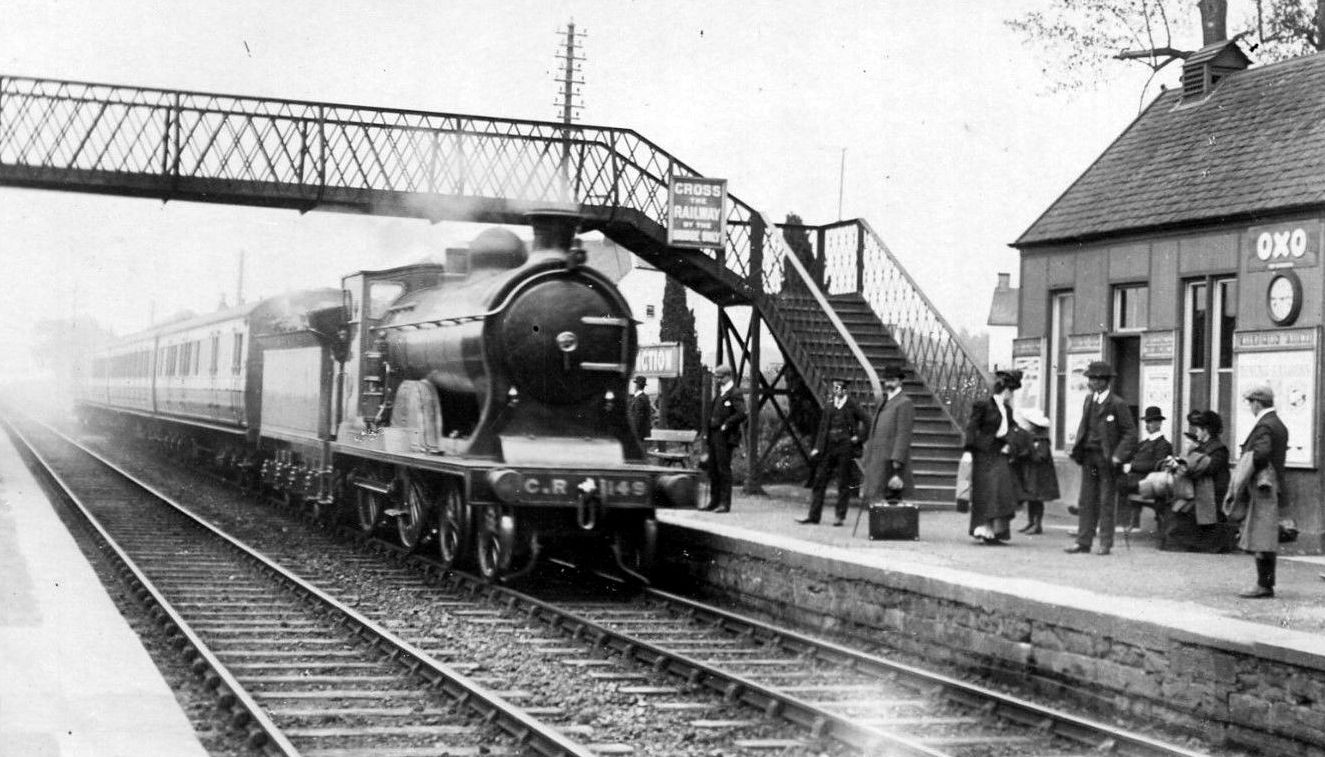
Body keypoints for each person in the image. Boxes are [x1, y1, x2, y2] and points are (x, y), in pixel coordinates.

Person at [1226, 384, 1292, 598]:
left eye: (1250, 403)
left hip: (1263, 488)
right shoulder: (1278, 424)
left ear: (1257, 403)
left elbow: (1261, 453)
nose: (1250, 407)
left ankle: (1263, 585)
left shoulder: (1264, 425)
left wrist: (1244, 470)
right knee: (1266, 536)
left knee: (1261, 536)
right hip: (1274, 485)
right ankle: (1266, 583)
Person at [1066, 360, 1137, 556]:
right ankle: (1083, 541)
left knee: (1106, 501)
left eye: (1095, 379)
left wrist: (1117, 456)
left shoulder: (1117, 404)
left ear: (1106, 381)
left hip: (1106, 460)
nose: (1091, 383)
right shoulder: (1089, 400)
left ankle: (1105, 543)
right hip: (1089, 457)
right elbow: (1084, 426)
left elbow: (1130, 433)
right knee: (1086, 499)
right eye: (1090, 379)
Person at [1159, 410, 1235, 553]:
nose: (1197, 432)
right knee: (1175, 514)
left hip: (1210, 498)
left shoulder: (1219, 450)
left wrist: (1183, 465)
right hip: (1199, 493)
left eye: (1198, 429)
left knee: (1179, 519)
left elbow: (1205, 469)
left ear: (1206, 431)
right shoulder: (1204, 447)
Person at [799, 377, 871, 526]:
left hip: (845, 446)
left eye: (839, 388)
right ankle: (814, 515)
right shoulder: (829, 405)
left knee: (843, 481)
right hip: (829, 446)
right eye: (835, 387)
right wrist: (817, 448)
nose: (836, 390)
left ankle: (840, 516)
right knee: (820, 480)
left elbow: (868, 421)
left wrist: (858, 438)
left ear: (845, 390)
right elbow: (823, 428)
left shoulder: (852, 405)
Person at [962, 369, 1023, 545]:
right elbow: (972, 427)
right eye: (1012, 392)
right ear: (1006, 391)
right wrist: (968, 449)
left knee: (1000, 491)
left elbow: (1011, 429)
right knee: (986, 492)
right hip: (983, 453)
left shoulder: (1008, 411)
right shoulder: (983, 405)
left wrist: (1009, 444)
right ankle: (983, 529)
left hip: (999, 452)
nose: (1012, 395)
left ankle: (997, 531)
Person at [860, 365, 914, 504]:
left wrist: (897, 459)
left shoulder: (904, 403)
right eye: (887, 380)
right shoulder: (884, 401)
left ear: (900, 381)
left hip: (891, 461)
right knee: (876, 500)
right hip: (878, 457)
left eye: (893, 380)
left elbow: (903, 434)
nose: (889, 383)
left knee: (890, 500)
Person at [1120, 406, 1173, 530]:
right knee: (1108, 480)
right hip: (1133, 479)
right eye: (1146, 422)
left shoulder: (1164, 445)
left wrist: (1132, 466)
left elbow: (1157, 465)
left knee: (1109, 484)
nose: (1147, 425)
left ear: (1159, 423)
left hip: (1146, 481)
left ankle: (1092, 516)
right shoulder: (1144, 443)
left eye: (1150, 422)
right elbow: (1129, 456)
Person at [702, 364, 746, 513]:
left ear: (727, 376)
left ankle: (724, 503)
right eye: (716, 377)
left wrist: (727, 424)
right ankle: (714, 501)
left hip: (725, 436)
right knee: (713, 469)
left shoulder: (735, 393)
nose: (717, 380)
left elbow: (741, 413)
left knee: (723, 469)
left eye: (719, 377)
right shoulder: (720, 394)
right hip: (715, 435)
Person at [1011, 408, 1059, 535]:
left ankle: (1037, 524)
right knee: (1031, 498)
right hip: (1032, 473)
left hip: (1040, 474)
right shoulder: (1032, 438)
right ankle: (1031, 522)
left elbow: (1041, 456)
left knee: (1037, 499)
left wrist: (1028, 453)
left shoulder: (1041, 440)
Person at [628, 375, 653, 443]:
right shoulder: (642, 397)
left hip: (637, 433)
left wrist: (633, 432)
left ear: (637, 386)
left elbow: (638, 417)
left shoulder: (640, 399)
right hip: (638, 433)